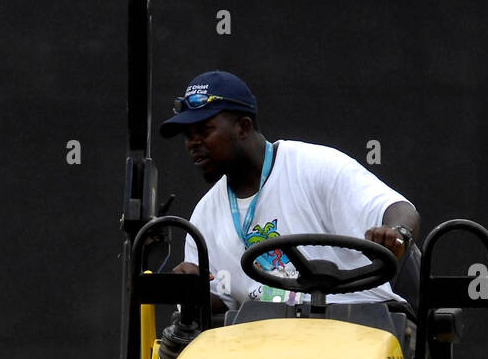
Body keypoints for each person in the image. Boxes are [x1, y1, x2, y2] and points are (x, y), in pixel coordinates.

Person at [161, 71, 420, 313]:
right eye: (188, 135)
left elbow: (401, 210)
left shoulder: (315, 167)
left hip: (359, 325)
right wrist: (191, 290)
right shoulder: (205, 214)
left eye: (204, 131)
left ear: (243, 127)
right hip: (266, 345)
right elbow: (223, 302)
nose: (193, 144)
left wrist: (398, 233)